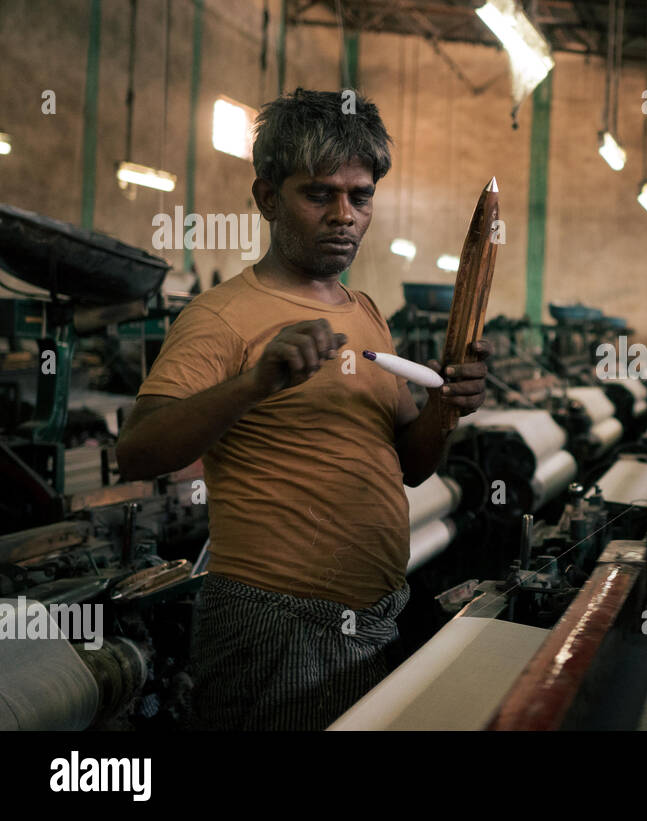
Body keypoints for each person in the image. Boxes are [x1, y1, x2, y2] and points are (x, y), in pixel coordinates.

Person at [115, 88, 491, 730]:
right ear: (266, 197)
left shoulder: (366, 312)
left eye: (360, 196)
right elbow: (138, 451)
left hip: (373, 615)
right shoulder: (221, 317)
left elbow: (411, 465)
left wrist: (444, 408)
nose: (344, 215)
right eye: (319, 194)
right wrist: (255, 383)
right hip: (273, 623)